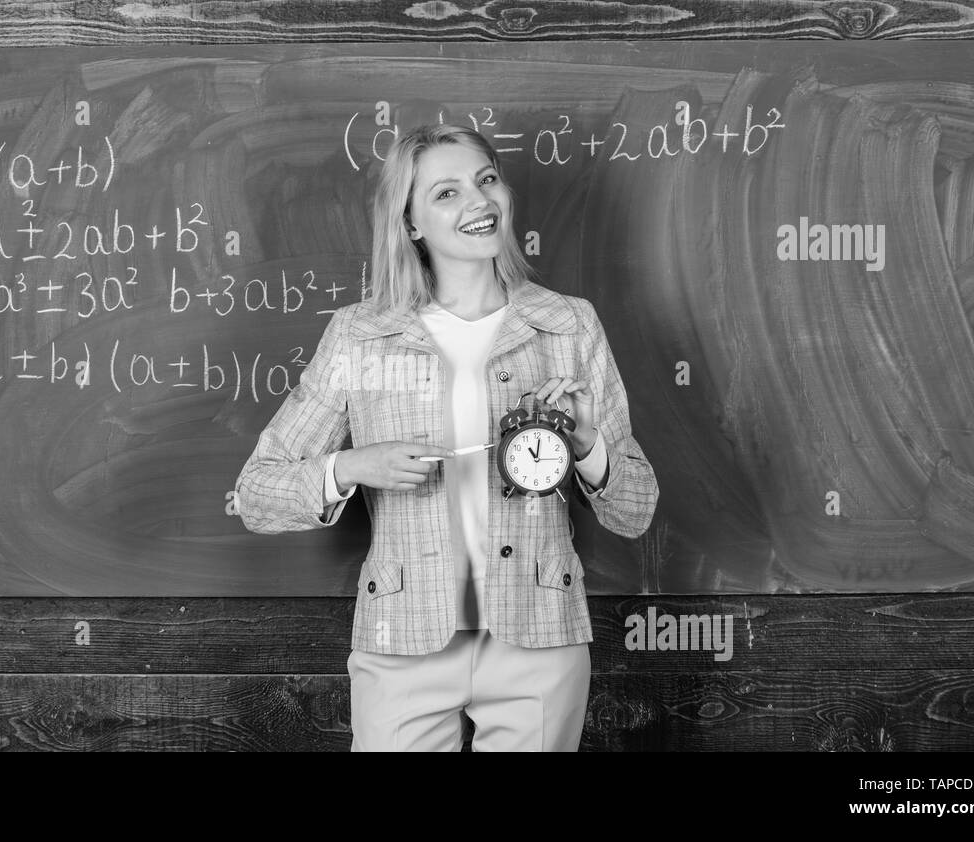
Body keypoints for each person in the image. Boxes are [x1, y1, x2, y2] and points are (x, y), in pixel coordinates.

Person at [235, 122, 658, 751]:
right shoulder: (360, 336)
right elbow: (254, 494)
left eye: (486, 180)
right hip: (402, 640)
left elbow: (637, 511)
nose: (479, 202)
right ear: (409, 223)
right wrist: (351, 466)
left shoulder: (568, 324)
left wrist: (588, 446)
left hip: (539, 637)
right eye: (447, 193)